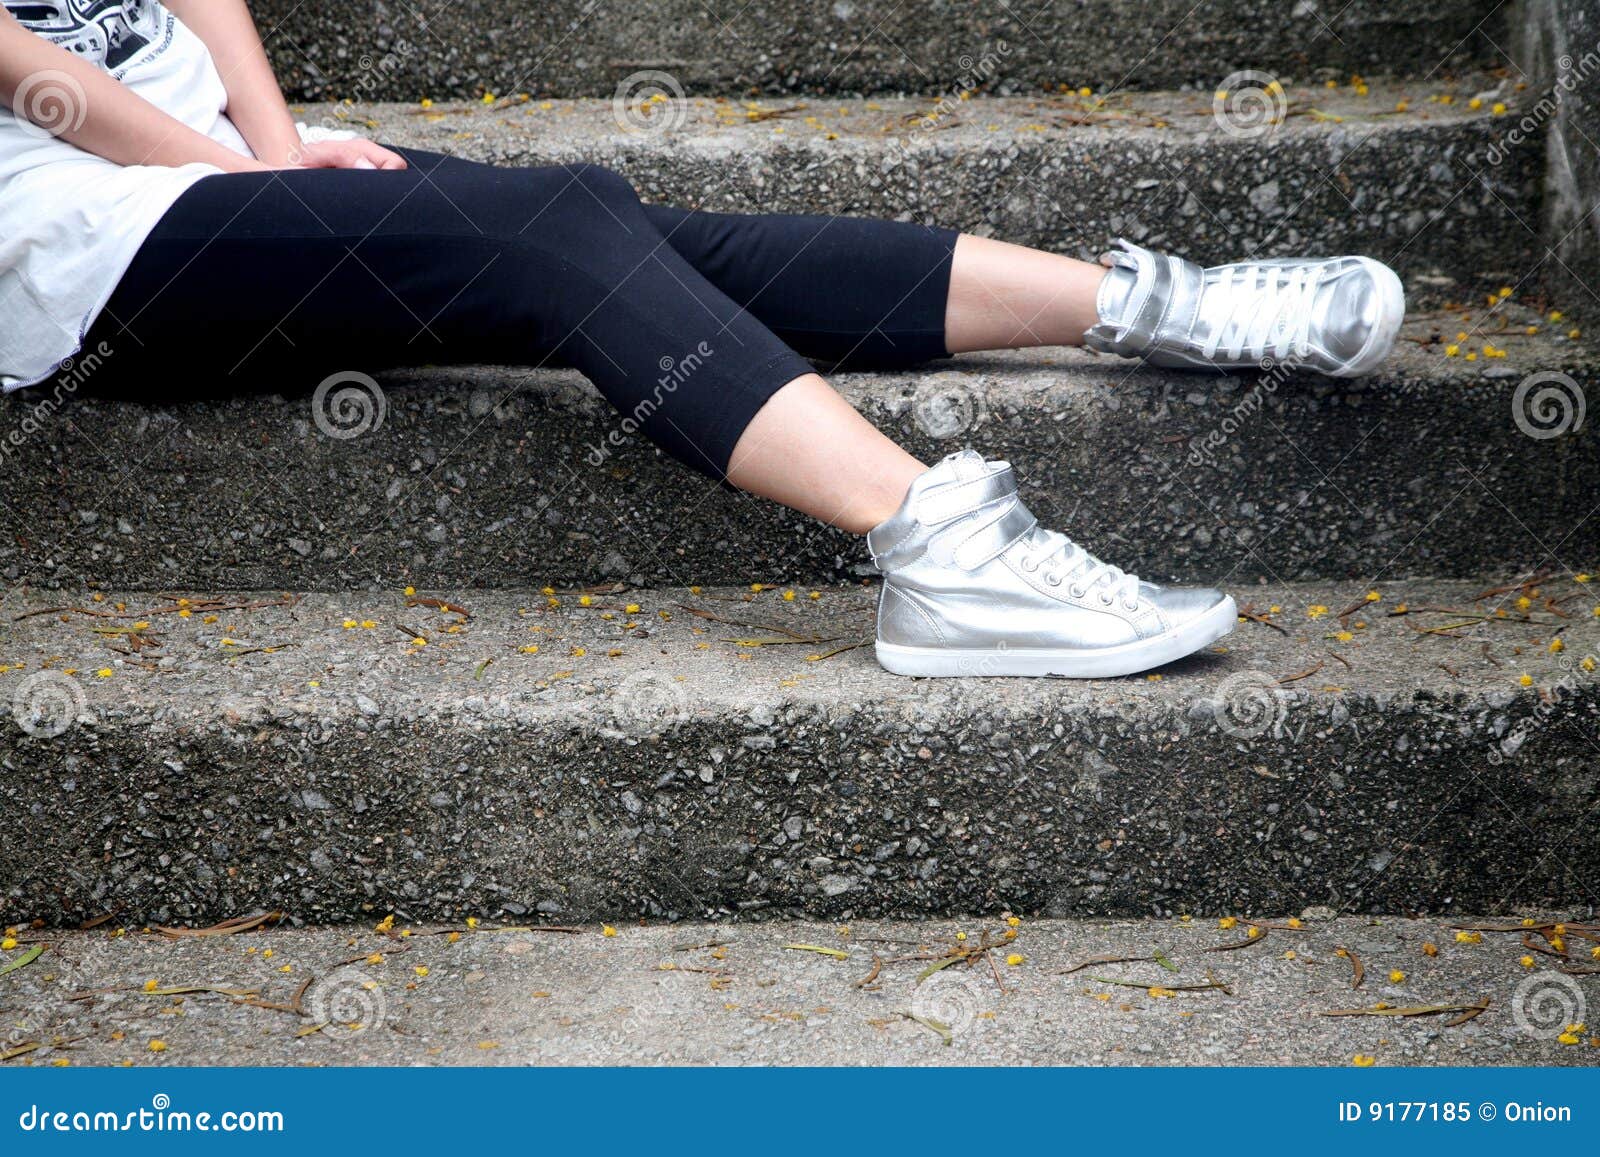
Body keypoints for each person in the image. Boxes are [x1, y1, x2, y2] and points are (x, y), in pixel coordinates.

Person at [0, 0, 1405, 679]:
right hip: (80, 237)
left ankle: (1154, 306)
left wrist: (273, 151)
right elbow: (28, 70)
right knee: (551, 235)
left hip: (223, 164)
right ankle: (936, 547)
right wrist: (243, 187)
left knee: (620, 230)